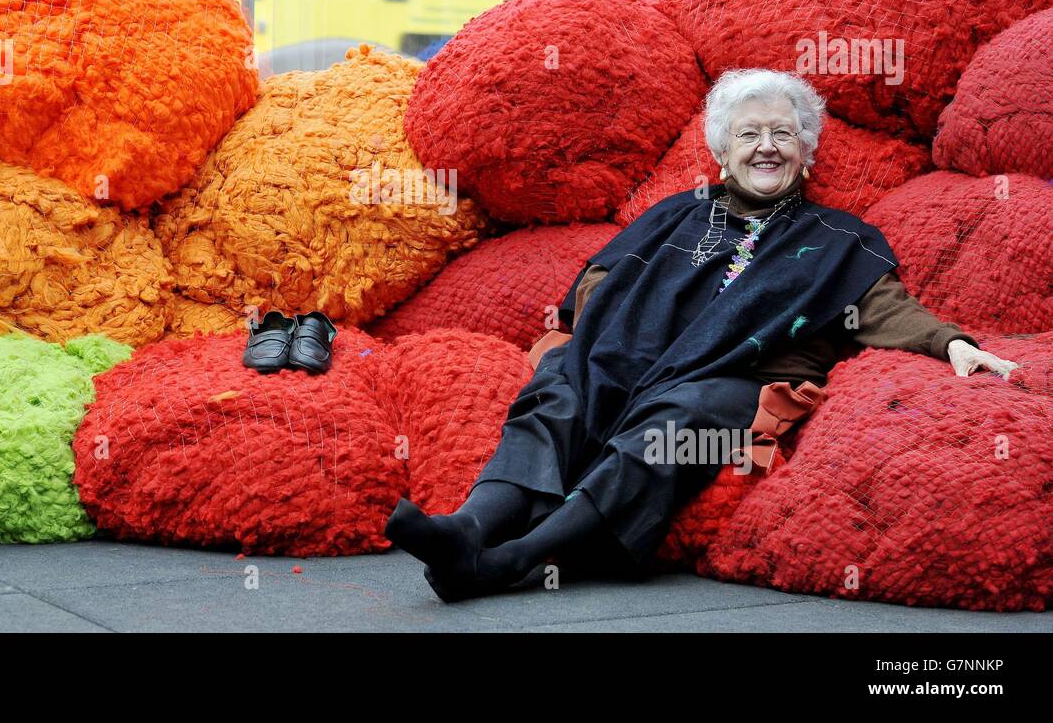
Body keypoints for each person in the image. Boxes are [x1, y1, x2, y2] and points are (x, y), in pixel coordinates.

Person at [385, 68, 1021, 603]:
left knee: (677, 418)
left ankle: (513, 559)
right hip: (630, 358)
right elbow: (599, 282)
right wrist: (620, 337)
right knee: (560, 386)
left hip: (737, 379)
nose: (766, 146)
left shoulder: (837, 238)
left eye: (783, 133)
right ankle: (468, 529)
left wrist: (951, 344)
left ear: (808, 151)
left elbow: (884, 307)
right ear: (722, 153)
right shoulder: (677, 214)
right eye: (749, 134)